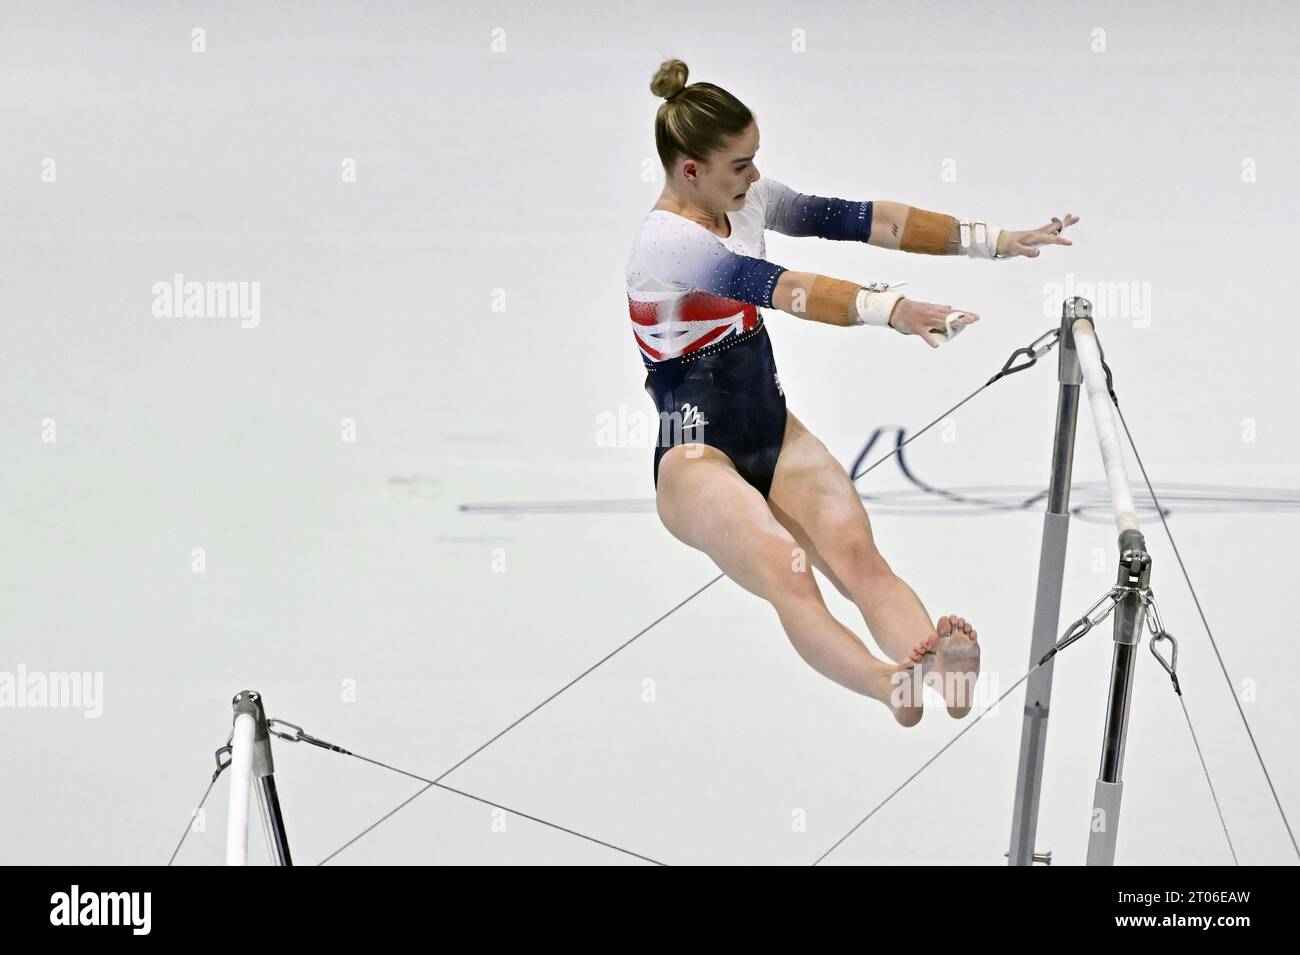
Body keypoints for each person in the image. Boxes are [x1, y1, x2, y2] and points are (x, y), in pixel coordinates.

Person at [625, 59, 1077, 726]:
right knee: (790, 571)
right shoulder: (668, 244)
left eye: (755, 162)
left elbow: (864, 219)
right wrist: (888, 308)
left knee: (861, 559)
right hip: (695, 458)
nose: (753, 179)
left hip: (772, 428)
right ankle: (886, 682)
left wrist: (993, 241)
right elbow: (780, 287)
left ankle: (933, 660)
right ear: (690, 170)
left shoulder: (744, 200)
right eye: (740, 166)